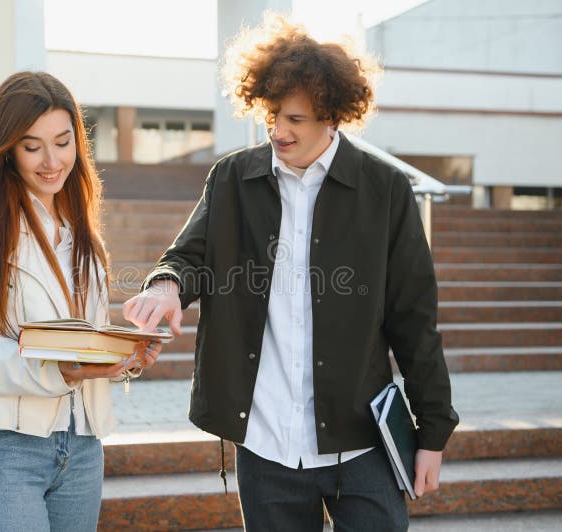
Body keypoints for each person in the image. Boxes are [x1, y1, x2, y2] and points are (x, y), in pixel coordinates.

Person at [123, 15, 458, 532]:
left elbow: (415, 319)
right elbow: (187, 256)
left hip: (360, 440)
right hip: (264, 445)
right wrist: (166, 286)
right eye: (273, 114)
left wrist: (432, 433)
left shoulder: (386, 191)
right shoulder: (233, 177)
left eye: (296, 120)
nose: (279, 131)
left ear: (334, 117)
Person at [0, 71, 162, 532]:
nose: (52, 161)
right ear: (7, 148)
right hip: (6, 444)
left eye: (63, 141)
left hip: (82, 445)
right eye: (32, 146)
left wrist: (123, 356)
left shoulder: (82, 235)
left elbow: (83, 339)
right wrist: (50, 369)